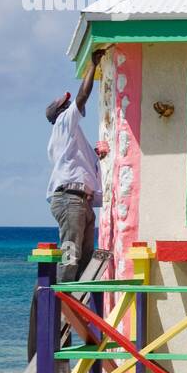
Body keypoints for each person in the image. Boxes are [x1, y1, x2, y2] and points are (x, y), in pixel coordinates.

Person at [46, 48, 107, 284]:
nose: (74, 104)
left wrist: (95, 157)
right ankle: (63, 304)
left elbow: (76, 162)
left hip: (79, 201)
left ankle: (76, 306)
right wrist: (93, 65)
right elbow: (83, 96)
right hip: (71, 200)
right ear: (61, 112)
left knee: (84, 258)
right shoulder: (63, 122)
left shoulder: (67, 137)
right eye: (67, 104)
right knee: (71, 257)